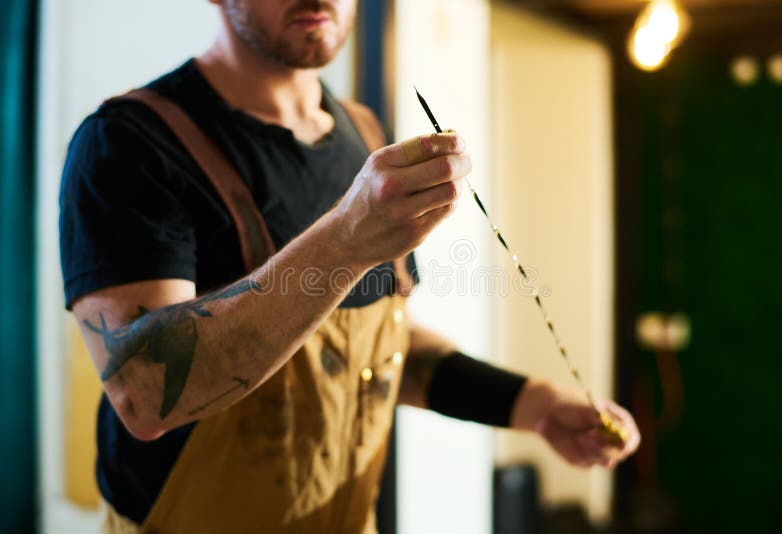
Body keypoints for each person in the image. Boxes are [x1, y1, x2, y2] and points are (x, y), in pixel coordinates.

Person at [59, 0, 640, 532]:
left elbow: (375, 348)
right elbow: (141, 395)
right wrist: (345, 241)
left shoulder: (363, 135)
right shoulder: (129, 144)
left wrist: (534, 404)